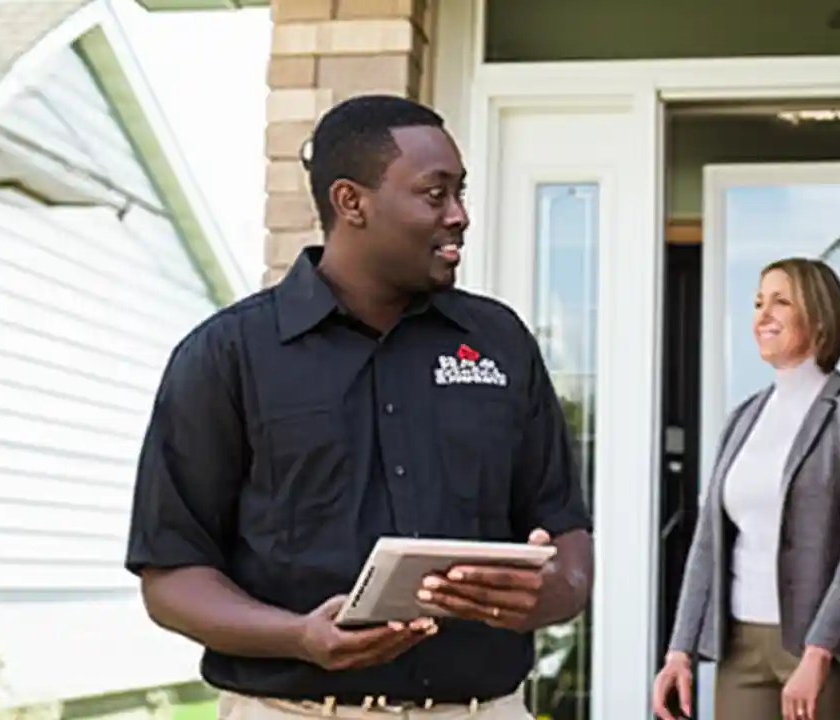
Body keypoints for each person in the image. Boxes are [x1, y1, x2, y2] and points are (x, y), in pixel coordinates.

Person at [125, 95, 594, 720]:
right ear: (352, 202)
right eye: (435, 193)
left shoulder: (499, 342)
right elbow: (171, 578)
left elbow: (566, 533)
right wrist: (298, 636)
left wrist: (551, 592)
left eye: (461, 193)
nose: (459, 216)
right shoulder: (227, 355)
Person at [652, 258, 840, 720]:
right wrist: (679, 651)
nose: (763, 315)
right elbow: (707, 544)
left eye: (781, 302)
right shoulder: (743, 417)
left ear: (818, 318)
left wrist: (820, 650)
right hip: (741, 649)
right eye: (758, 302)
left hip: (824, 651)